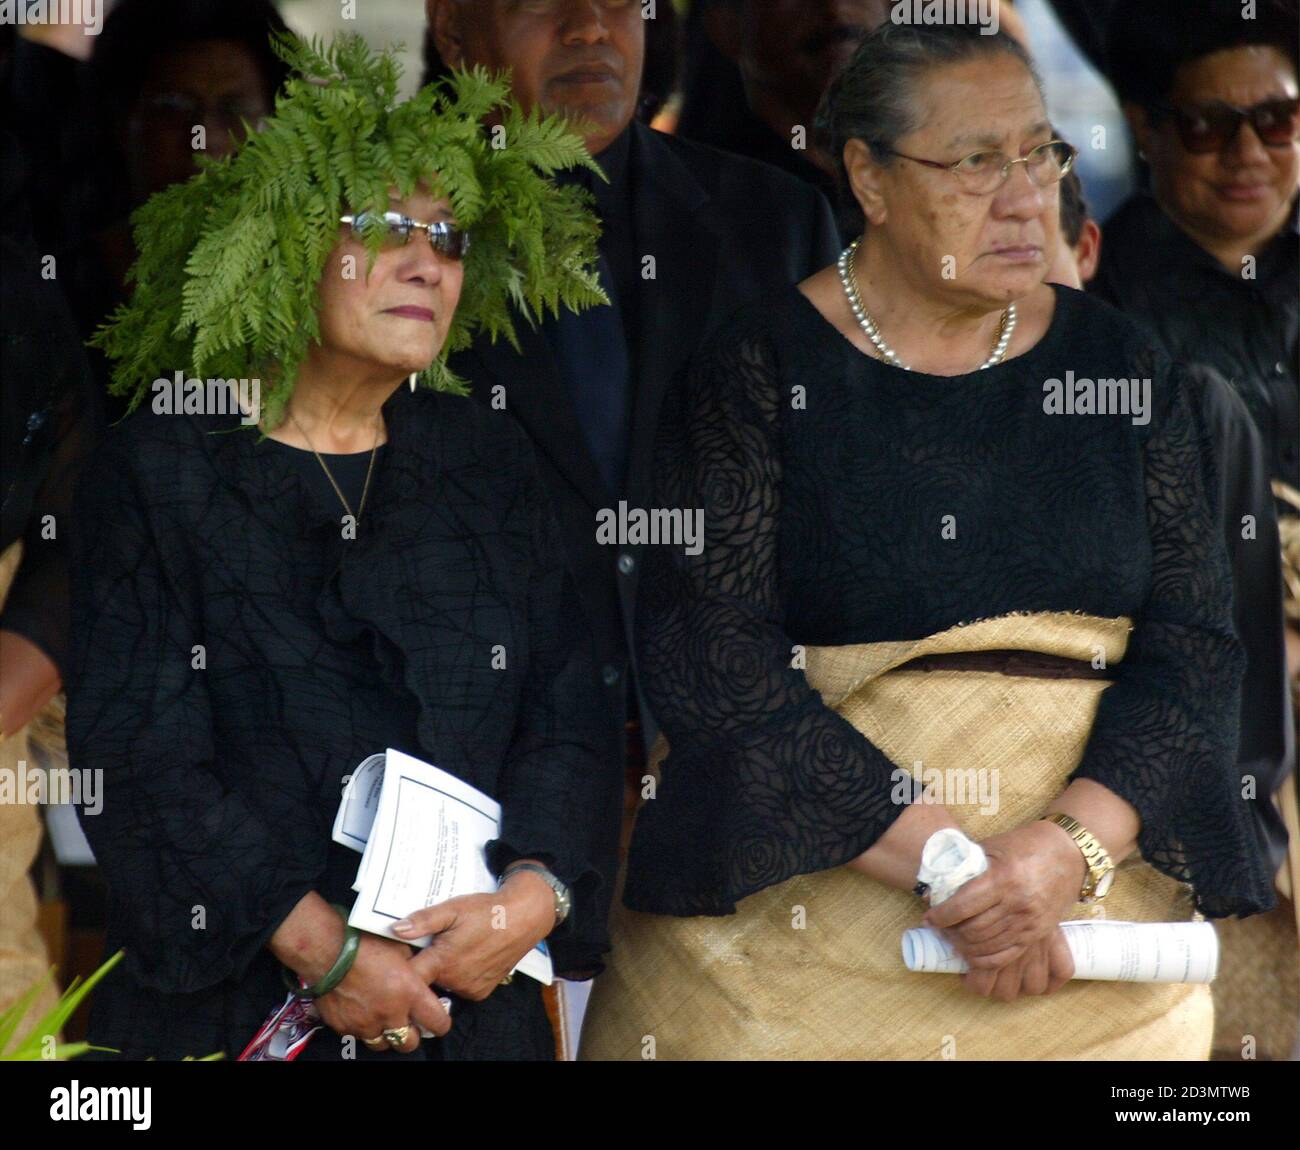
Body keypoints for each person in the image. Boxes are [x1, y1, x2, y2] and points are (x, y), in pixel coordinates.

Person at [580, 21, 1274, 1061]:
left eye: (1038, 153)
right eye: (974, 161)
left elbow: (1197, 649)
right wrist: (956, 871)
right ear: (867, 174)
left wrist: (1060, 854)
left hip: (1085, 935)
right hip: (805, 946)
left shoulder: (1125, 364)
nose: (1021, 196)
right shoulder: (754, 368)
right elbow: (715, 664)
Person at [66, 35, 611, 1062]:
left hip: (468, 1007)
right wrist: (326, 952)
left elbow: (570, 709)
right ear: (285, 245)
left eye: (447, 239)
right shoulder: (164, 467)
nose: (423, 260)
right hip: (238, 1011)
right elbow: (139, 761)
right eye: (379, 225)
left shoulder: (487, 461)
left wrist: (531, 899)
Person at [425, 0, 841, 950]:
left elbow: (836, 517)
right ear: (455, 30)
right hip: (469, 806)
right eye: (544, 3)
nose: (588, 29)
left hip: (732, 793)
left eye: (620, 0)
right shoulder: (387, 240)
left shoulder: (774, 226)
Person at [1092, 0, 1298, 873]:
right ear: (1147, 129)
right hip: (1209, 736)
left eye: (1278, 120)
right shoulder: (1098, 309)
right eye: (1210, 126)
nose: (1249, 153)